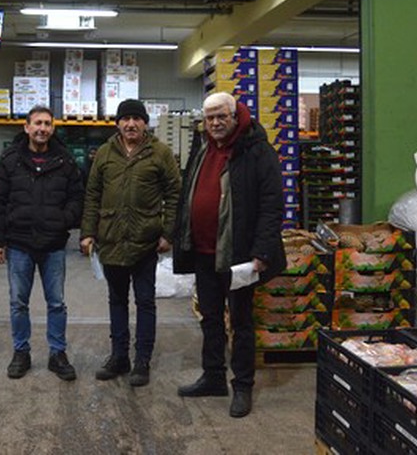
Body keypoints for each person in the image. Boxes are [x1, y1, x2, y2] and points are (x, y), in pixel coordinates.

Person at [171, 91, 287, 418]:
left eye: (221, 116)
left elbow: (272, 204)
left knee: (240, 321)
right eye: (210, 118)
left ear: (235, 116)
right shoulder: (203, 146)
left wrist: (262, 251)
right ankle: (213, 377)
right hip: (204, 251)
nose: (216, 123)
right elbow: (189, 191)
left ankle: (243, 385)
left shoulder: (257, 150)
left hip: (240, 255)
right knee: (209, 318)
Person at [80, 99, 181, 387]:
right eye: (126, 119)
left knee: (145, 302)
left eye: (137, 118)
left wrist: (168, 233)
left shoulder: (159, 152)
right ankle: (119, 357)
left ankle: (142, 361)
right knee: (117, 301)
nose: (131, 124)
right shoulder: (104, 153)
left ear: (145, 123)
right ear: (118, 123)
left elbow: (175, 194)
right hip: (111, 240)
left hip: (146, 242)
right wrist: (88, 232)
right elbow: (92, 195)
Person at [0, 105, 86, 381]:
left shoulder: (65, 161)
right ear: (26, 127)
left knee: (56, 303)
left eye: (47, 124)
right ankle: (21, 352)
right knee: (18, 302)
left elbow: (78, 198)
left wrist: (63, 219)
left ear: (53, 128)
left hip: (53, 244)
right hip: (19, 243)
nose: (42, 128)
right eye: (37, 123)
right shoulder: (10, 160)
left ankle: (57, 354)